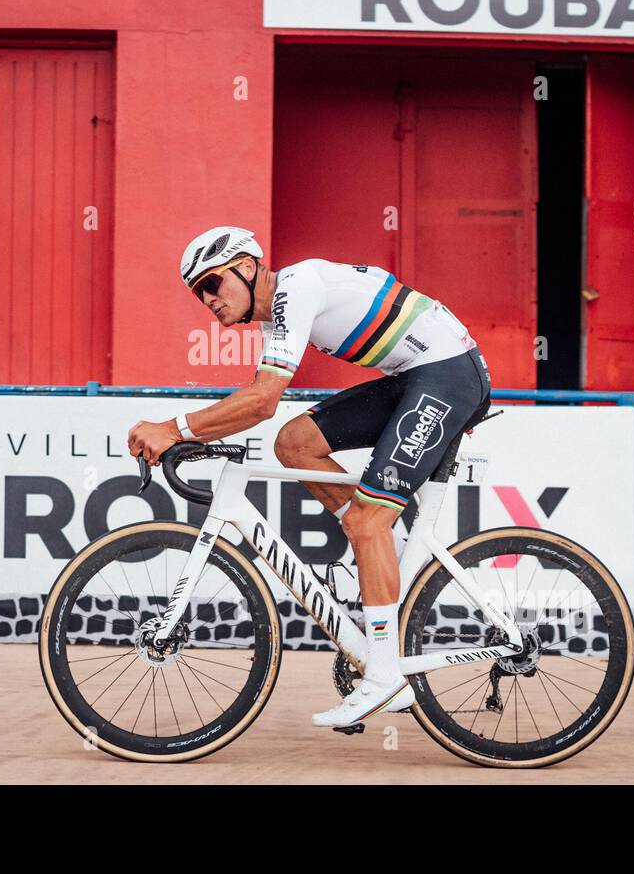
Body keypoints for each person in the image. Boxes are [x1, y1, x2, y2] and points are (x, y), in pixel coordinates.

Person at [127, 226, 492, 729]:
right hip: (418, 375)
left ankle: (385, 679)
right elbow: (261, 406)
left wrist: (174, 429)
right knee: (295, 444)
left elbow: (261, 401)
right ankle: (373, 539)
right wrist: (190, 432)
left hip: (448, 374)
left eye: (212, 283)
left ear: (248, 267)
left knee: (368, 521)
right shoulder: (279, 314)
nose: (207, 299)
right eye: (198, 292)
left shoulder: (296, 287)